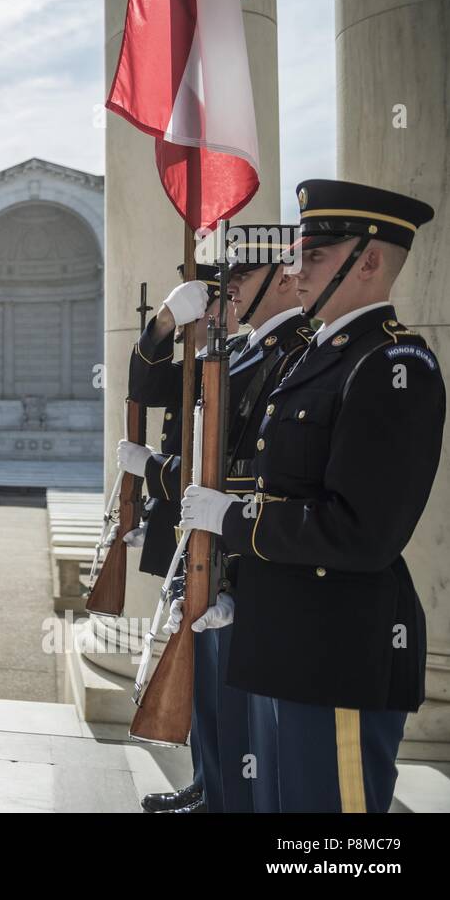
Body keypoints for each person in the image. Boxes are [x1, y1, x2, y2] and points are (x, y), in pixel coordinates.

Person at [181, 180, 440, 812]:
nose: (295, 271)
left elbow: (362, 532)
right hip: (288, 636)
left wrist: (235, 521)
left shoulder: (390, 364)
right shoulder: (314, 359)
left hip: (338, 647)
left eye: (315, 256)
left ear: (369, 261)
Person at [124, 226, 316, 812]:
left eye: (239, 279)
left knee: (237, 702)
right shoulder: (243, 351)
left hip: (242, 549)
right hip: (212, 540)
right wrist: (161, 325)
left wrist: (156, 473)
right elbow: (149, 387)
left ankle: (225, 795)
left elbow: (239, 464)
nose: (228, 291)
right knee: (209, 690)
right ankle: (211, 787)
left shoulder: (287, 351)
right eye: (223, 283)